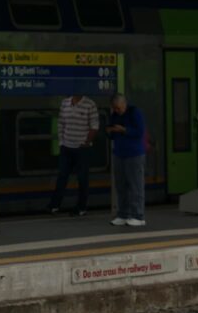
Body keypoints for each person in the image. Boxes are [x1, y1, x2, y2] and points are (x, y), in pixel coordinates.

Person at [50, 92, 102, 215]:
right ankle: (54, 205)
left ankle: (81, 207)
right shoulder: (65, 103)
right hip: (66, 147)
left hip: (82, 148)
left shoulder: (90, 104)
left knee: (82, 178)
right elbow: (61, 123)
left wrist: (86, 142)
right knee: (62, 176)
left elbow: (95, 126)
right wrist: (61, 142)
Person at [106, 93, 148, 227]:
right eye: (114, 108)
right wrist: (110, 131)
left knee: (135, 186)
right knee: (121, 186)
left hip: (134, 154)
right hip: (119, 153)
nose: (117, 110)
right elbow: (112, 133)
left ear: (124, 104)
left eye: (118, 108)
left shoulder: (135, 112)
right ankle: (123, 214)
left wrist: (124, 130)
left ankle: (138, 215)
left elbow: (140, 132)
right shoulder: (114, 115)